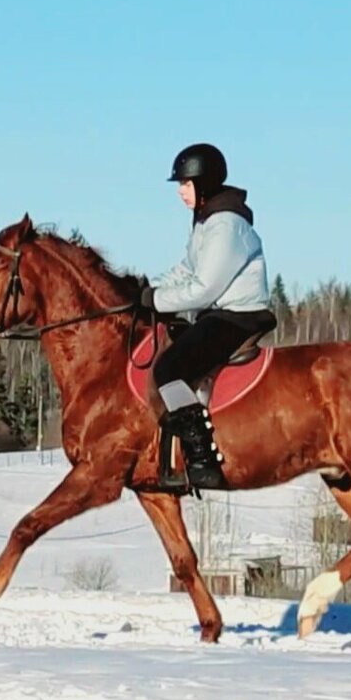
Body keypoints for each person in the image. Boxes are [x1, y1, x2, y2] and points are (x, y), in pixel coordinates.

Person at [139, 143, 277, 489]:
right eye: (180, 186)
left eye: (186, 184)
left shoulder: (225, 225)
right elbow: (186, 269)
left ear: (206, 184)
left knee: (170, 367)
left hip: (236, 316)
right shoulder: (206, 221)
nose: (181, 192)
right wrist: (144, 290)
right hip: (218, 313)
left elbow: (203, 288)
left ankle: (200, 457)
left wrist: (155, 299)